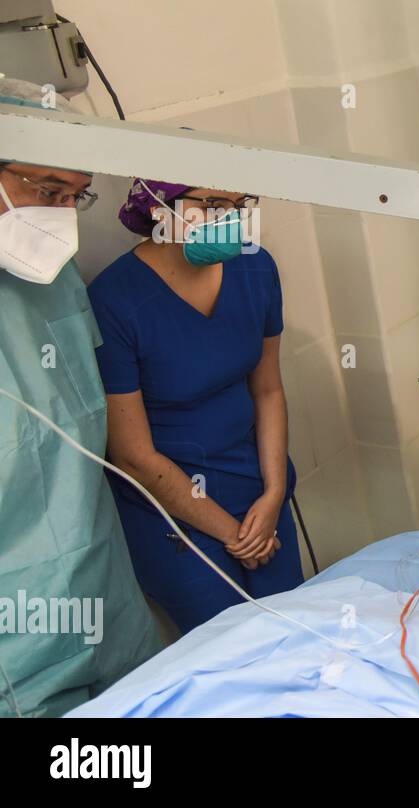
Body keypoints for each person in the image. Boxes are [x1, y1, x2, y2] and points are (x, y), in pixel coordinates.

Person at [0, 79, 161, 717]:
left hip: (104, 592)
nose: (62, 213)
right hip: (17, 643)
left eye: (75, 195)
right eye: (47, 190)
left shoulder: (54, 278)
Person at [87, 179, 302, 634]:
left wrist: (273, 492)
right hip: (171, 510)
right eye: (213, 204)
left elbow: (268, 390)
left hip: (257, 488)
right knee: (232, 654)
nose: (231, 219)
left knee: (295, 631)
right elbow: (133, 456)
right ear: (159, 206)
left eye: (240, 205)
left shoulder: (255, 268)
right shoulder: (114, 300)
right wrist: (232, 534)